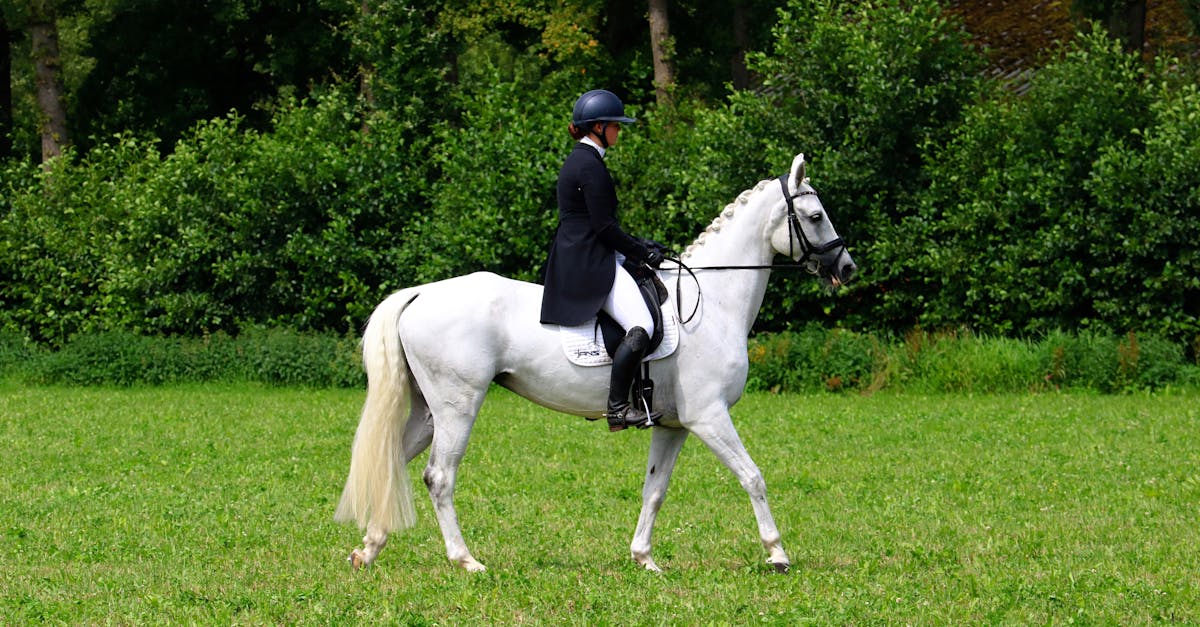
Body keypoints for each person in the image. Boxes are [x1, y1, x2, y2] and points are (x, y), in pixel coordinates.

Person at [540, 89, 664, 432]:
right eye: (615, 126)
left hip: (583, 252)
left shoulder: (581, 161)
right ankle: (619, 408)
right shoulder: (589, 165)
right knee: (642, 327)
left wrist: (639, 244)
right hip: (589, 260)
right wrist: (642, 252)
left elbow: (600, 224)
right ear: (597, 127)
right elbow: (604, 227)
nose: (618, 132)